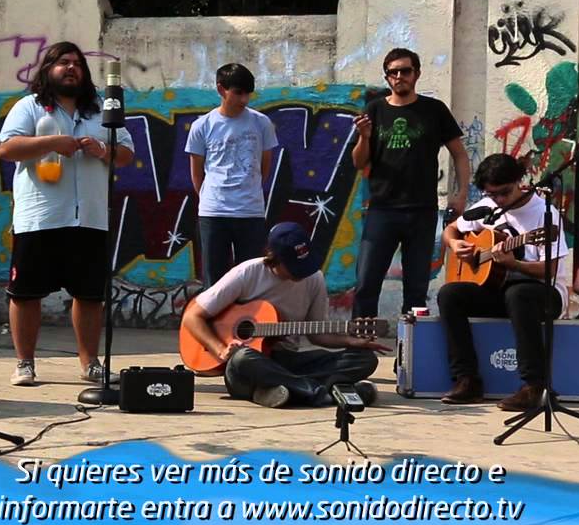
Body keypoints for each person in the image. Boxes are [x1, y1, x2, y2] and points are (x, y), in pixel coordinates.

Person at [0, 41, 135, 387]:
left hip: (89, 217)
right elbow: (6, 147)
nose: (71, 68)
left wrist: (103, 149)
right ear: (47, 70)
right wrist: (51, 143)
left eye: (77, 64)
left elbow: (127, 153)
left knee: (89, 295)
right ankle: (25, 363)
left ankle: (90, 364)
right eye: (63, 63)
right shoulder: (30, 107)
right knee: (26, 293)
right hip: (40, 217)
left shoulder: (101, 109)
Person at [181, 222, 388, 408]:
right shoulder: (248, 272)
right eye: (294, 267)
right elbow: (193, 317)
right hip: (250, 368)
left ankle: (276, 391)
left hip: (287, 361)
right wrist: (221, 349)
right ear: (273, 259)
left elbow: (317, 335)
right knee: (243, 358)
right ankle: (320, 393)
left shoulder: (313, 278)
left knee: (364, 360)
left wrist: (351, 342)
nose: (301, 272)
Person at [436, 153, 569, 411]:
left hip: (544, 294)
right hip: (500, 290)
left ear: (520, 180)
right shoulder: (488, 206)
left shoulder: (544, 213)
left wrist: (514, 264)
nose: (498, 199)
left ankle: (534, 386)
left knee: (517, 294)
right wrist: (455, 244)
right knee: (450, 294)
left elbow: (550, 270)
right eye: (491, 194)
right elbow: (451, 229)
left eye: (504, 193)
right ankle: (467, 380)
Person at [351, 47, 470, 320]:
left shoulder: (434, 110)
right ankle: (359, 344)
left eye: (405, 71)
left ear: (417, 74)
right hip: (382, 209)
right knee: (367, 282)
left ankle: (412, 347)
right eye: (393, 72)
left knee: (416, 287)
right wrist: (365, 137)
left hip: (422, 210)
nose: (399, 77)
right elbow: (358, 163)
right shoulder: (374, 110)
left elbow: (460, 155)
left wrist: (460, 194)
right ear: (387, 77)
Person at [186, 63, 280, 288]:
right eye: (238, 93)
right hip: (213, 213)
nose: (244, 99)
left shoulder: (261, 123)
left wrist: (248, 190)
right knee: (214, 283)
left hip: (250, 212)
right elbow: (196, 172)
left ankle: (245, 324)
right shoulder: (203, 126)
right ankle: (214, 324)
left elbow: (265, 167)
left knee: (250, 281)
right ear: (221, 89)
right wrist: (212, 198)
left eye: (248, 93)